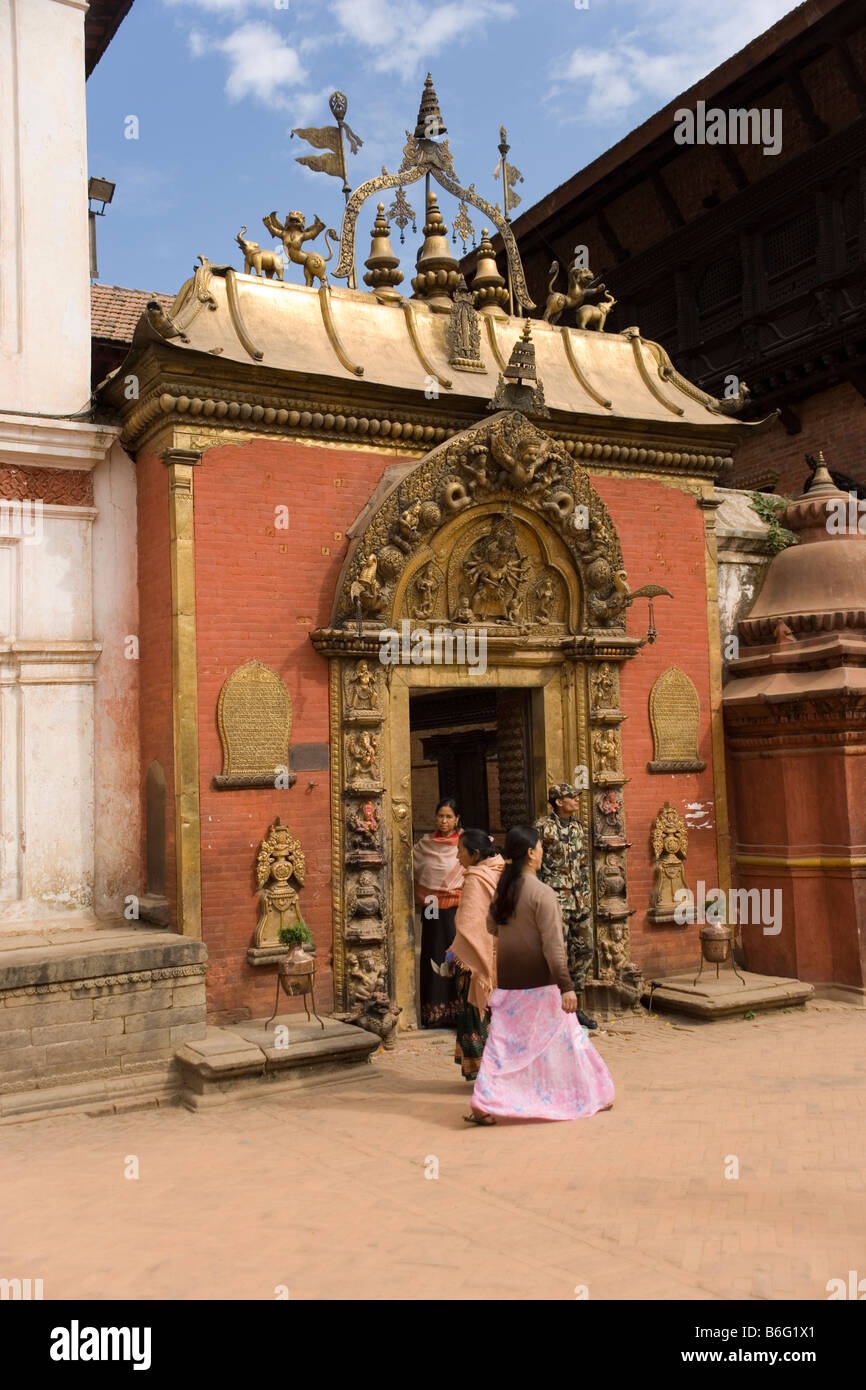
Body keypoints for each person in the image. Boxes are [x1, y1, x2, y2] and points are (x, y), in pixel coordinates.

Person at [466, 825, 614, 1125]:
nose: (543, 853)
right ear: (531, 853)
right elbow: (554, 946)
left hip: (509, 984)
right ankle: (589, 1093)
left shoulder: (504, 891)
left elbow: (492, 927)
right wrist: (567, 987)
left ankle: (484, 1102)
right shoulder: (543, 894)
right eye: (541, 848)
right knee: (569, 1042)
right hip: (542, 985)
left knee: (502, 1047)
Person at [536, 782, 598, 1031]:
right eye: (572, 797)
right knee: (556, 954)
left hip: (579, 900)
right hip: (556, 900)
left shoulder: (577, 827)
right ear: (559, 801)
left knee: (585, 950)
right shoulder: (543, 827)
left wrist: (586, 894)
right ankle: (553, 1008)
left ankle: (575, 1006)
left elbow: (583, 864)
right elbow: (535, 865)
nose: (576, 800)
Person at [449, 829, 505, 1081]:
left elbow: (470, 925)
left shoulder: (475, 879)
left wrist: (456, 954)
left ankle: (484, 1068)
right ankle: (501, 1067)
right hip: (503, 954)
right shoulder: (502, 871)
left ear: (475, 853)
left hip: (477, 959)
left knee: (476, 1009)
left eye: (461, 850)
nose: (458, 855)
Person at [413, 798, 464, 1028]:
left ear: (457, 819)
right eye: (440, 816)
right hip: (432, 904)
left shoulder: (464, 843)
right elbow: (412, 867)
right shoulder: (425, 844)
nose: (444, 821)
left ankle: (460, 1012)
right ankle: (435, 1013)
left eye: (448, 817)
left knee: (457, 954)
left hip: (457, 906)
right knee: (433, 951)